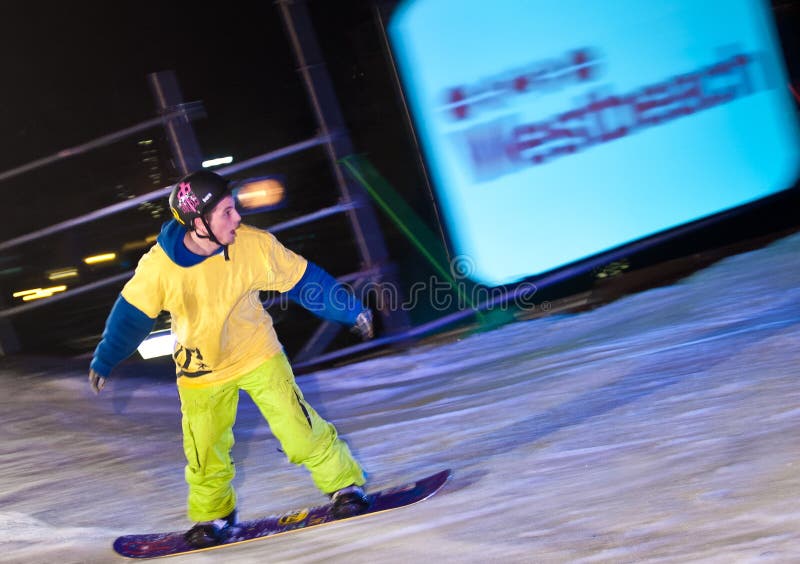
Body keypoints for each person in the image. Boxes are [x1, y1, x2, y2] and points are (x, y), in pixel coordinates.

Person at [88, 170, 374, 548]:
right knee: (205, 450)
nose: (237, 217)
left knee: (298, 428)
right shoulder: (159, 268)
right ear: (198, 224)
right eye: (225, 212)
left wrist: (349, 309)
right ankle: (214, 515)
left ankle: (344, 487)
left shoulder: (252, 246)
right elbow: (130, 318)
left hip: (257, 353)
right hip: (201, 369)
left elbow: (305, 282)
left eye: (234, 208)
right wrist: (106, 358)